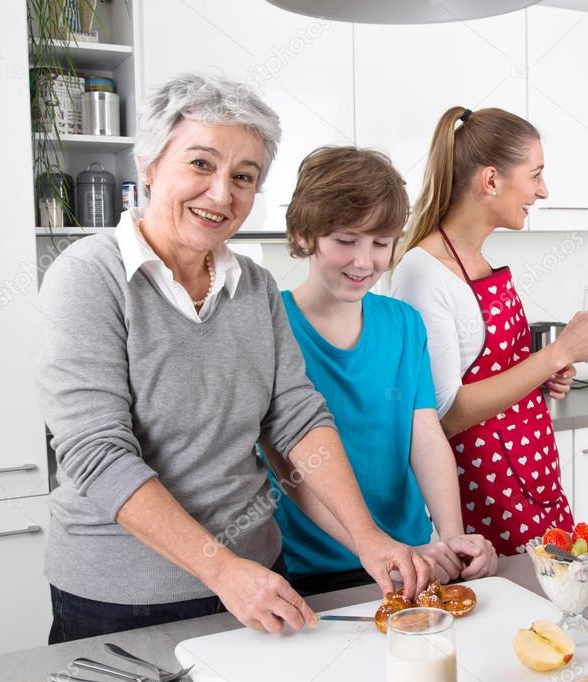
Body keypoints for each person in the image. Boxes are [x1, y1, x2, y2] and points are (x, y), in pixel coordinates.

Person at [35, 73, 430, 643]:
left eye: (243, 177)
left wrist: (367, 536)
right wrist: (220, 569)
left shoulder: (255, 287)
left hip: (259, 580)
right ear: (149, 166)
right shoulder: (87, 277)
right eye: (200, 164)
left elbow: (297, 417)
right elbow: (96, 452)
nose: (221, 194)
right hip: (122, 597)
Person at [261, 146, 497, 591]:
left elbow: (425, 437)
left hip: (412, 556)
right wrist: (375, 546)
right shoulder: (272, 323)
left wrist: (452, 537)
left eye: (380, 243)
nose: (363, 261)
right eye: (345, 241)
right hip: (313, 568)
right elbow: (288, 468)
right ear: (304, 235)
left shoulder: (403, 322)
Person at [390, 106, 588, 556]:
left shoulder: (478, 259)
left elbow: (502, 370)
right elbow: (443, 414)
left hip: (532, 478)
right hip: (484, 489)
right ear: (491, 180)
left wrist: (545, 373)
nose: (544, 191)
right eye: (535, 175)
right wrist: (553, 355)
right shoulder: (422, 272)